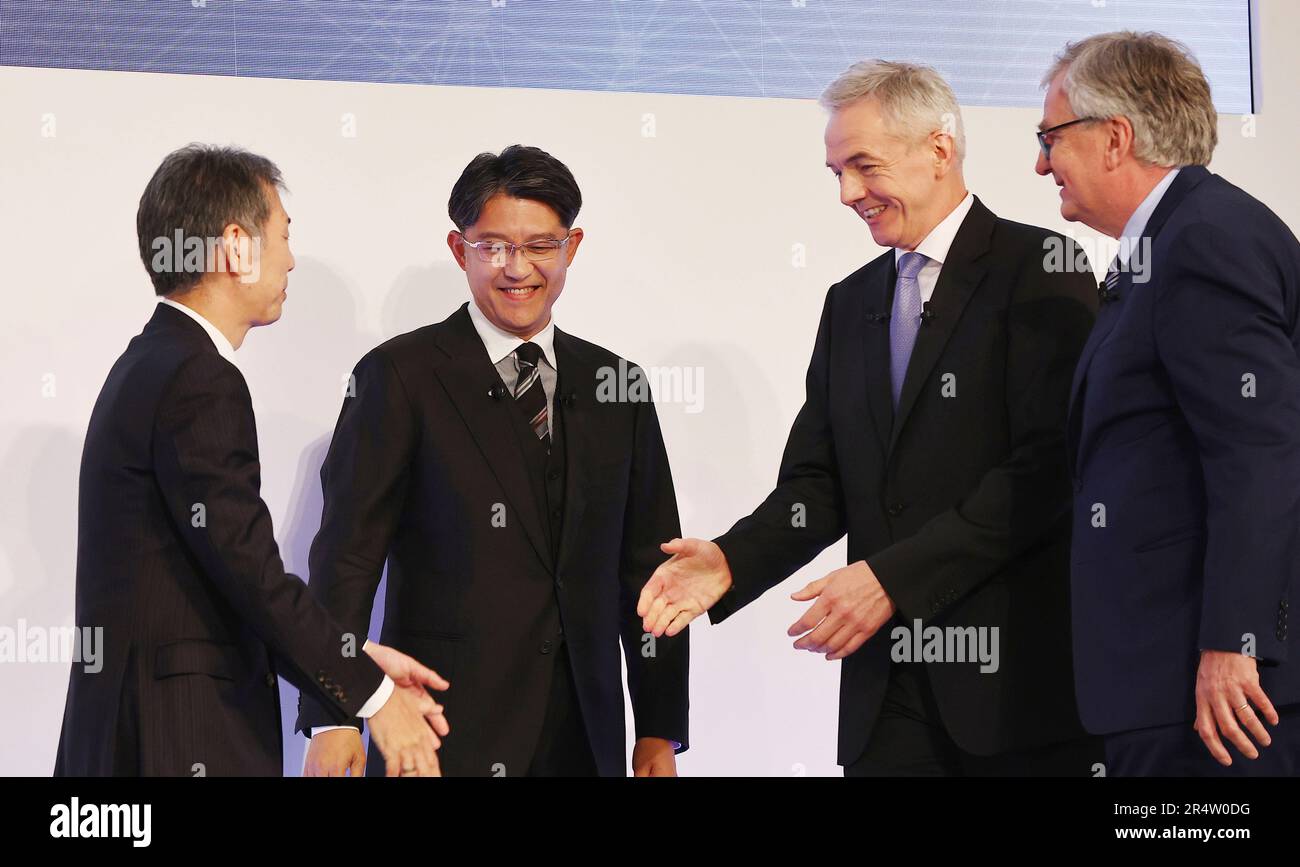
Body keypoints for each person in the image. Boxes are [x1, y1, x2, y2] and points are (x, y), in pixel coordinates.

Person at [638, 61, 1099, 775]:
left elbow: (1047, 472)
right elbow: (819, 482)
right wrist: (733, 559)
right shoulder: (849, 302)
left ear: (940, 151)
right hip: (885, 706)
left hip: (1016, 700)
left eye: (863, 166)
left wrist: (892, 578)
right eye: (836, 173)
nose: (849, 192)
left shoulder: (1042, 267)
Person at [55, 145, 449, 777]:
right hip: (176, 738)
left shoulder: (148, 362)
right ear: (237, 246)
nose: (291, 258)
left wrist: (357, 657)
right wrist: (372, 698)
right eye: (283, 235)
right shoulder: (197, 378)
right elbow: (251, 575)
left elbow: (215, 583)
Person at [298, 145, 688, 777]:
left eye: (541, 245)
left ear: (572, 247)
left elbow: (652, 573)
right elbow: (347, 555)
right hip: (438, 733)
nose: (518, 268)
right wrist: (334, 713)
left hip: (584, 740)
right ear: (460, 250)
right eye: (494, 246)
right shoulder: (399, 376)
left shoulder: (619, 385)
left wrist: (659, 730)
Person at [1034, 31, 1300, 776]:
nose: (1039, 162)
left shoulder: (1205, 239)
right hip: (1170, 685)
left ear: (1114, 136)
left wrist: (1234, 640)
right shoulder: (1175, 241)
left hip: (1218, 700)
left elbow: (1260, 450)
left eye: (1049, 137)